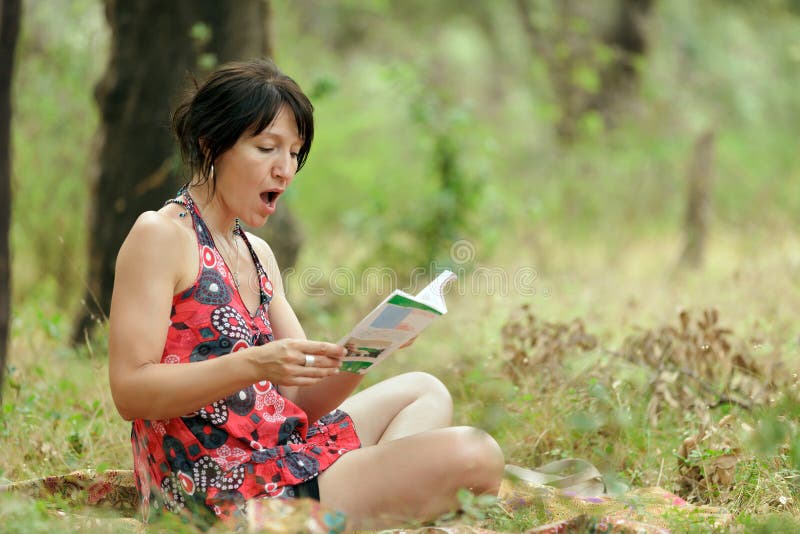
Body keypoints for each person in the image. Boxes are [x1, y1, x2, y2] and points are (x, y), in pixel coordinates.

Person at [108, 58, 504, 529]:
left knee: (425, 391)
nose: (285, 169)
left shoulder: (257, 253)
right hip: (219, 493)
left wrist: (370, 348)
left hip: (277, 457)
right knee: (477, 454)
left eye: (294, 153)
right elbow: (130, 392)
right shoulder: (160, 235)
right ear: (211, 144)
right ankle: (361, 505)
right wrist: (254, 364)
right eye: (267, 148)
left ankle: (355, 507)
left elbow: (301, 400)